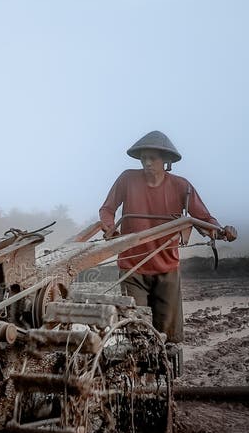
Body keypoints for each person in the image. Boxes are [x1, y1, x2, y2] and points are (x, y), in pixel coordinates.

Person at [98, 130, 237, 343]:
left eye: (152, 158)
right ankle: (139, 373)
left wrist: (221, 231)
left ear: (166, 161)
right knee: (136, 332)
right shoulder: (127, 179)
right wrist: (111, 231)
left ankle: (168, 370)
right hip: (132, 267)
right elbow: (107, 210)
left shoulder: (181, 186)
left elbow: (203, 217)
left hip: (167, 268)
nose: (147, 162)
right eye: (144, 157)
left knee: (168, 335)